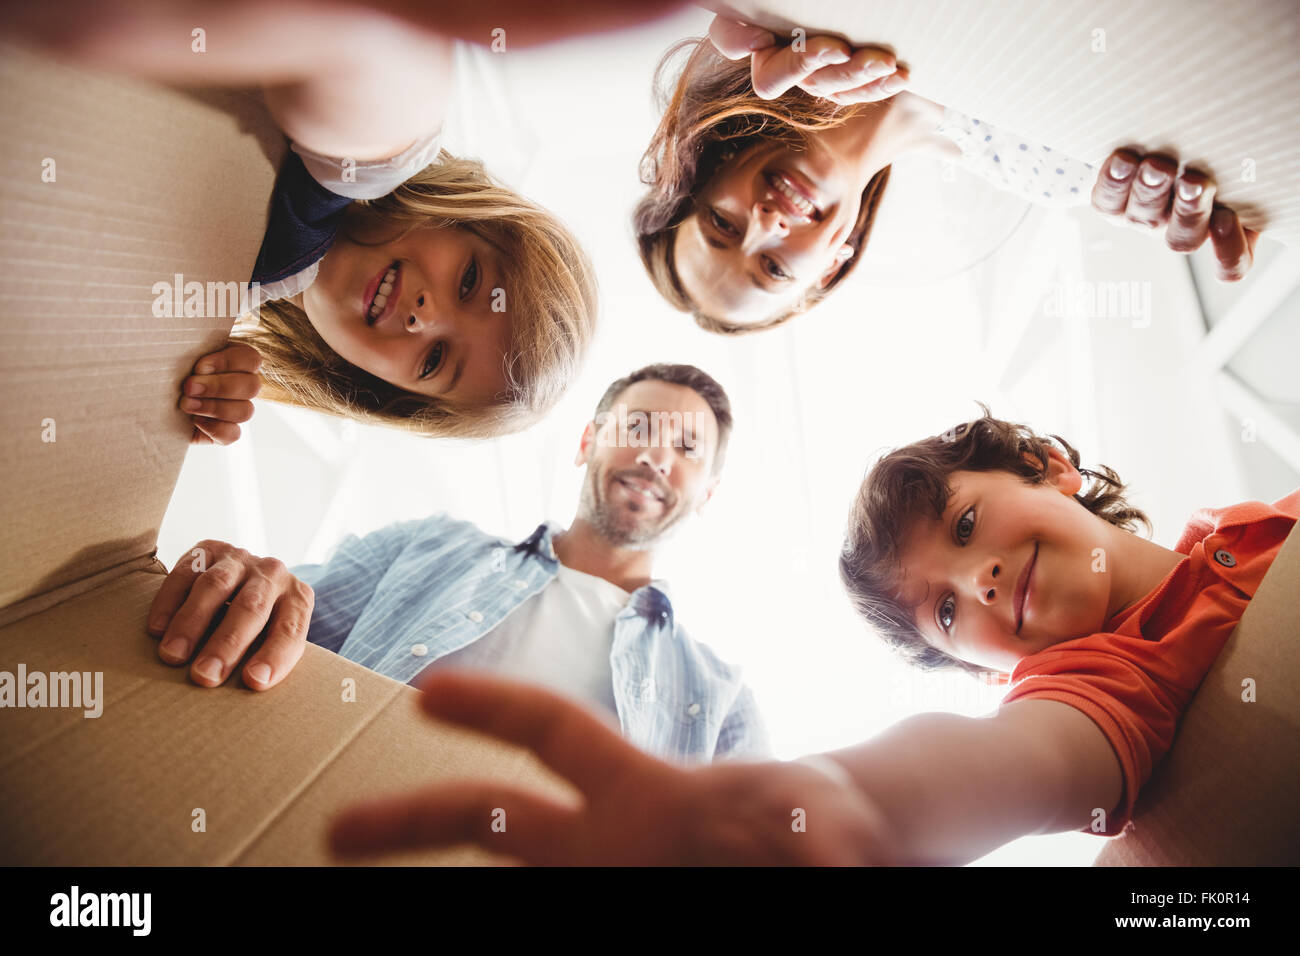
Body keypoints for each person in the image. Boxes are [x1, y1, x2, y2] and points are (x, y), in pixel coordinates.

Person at [322, 408, 1297, 864]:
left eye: (964, 527)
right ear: (981, 669)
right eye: (949, 615)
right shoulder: (1100, 685)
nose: (979, 579)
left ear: (1047, 465)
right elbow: (997, 761)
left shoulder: (1258, 520)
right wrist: (833, 797)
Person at [3, 0, 708, 443]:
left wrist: (178, 376)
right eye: (469, 281)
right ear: (467, 217)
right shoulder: (367, 163)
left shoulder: (248, 306)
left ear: (378, 392)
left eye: (434, 360)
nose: (422, 319)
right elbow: (374, 48)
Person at [144, 363, 769, 763]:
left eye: (687, 448)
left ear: (706, 495)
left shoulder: (721, 702)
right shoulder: (429, 547)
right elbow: (277, 624)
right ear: (587, 443)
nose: (657, 457)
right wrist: (244, 586)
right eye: (638, 427)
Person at [635, 15, 1262, 335]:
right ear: (831, 264)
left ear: (711, 173)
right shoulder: (1050, 173)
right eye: (773, 266)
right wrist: (1228, 164)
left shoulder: (782, 24)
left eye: (722, 222)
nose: (765, 224)